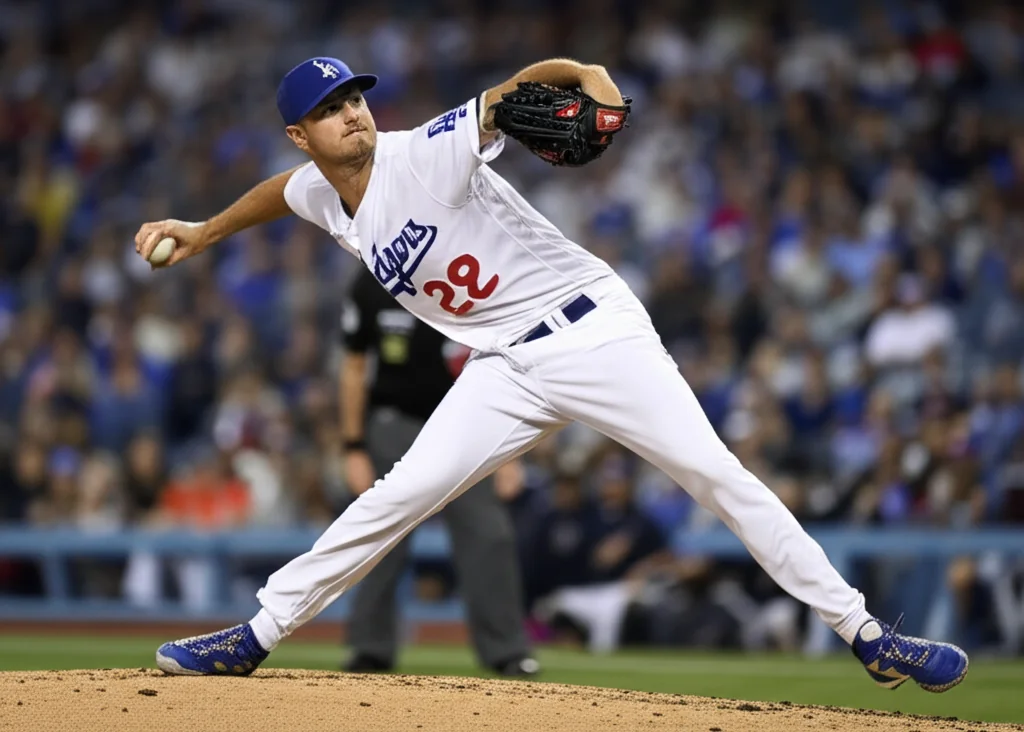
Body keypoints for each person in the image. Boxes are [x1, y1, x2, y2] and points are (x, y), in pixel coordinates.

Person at [140, 55, 968, 693]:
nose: (350, 115)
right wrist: (205, 231)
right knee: (398, 493)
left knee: (715, 474)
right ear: (302, 136)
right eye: (327, 111)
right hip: (505, 364)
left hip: (593, 330)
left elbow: (512, 92)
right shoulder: (322, 193)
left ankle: (867, 635)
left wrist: (590, 77)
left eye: (352, 98)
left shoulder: (420, 153)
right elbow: (278, 194)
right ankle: (253, 637)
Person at [338, 266, 538, 676]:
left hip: (468, 424)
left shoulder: (466, 273)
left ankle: (508, 651)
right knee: (380, 535)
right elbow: (354, 366)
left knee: (489, 535)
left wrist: (511, 453)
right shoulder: (372, 281)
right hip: (395, 423)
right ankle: (369, 649)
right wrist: (353, 446)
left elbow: (506, 359)